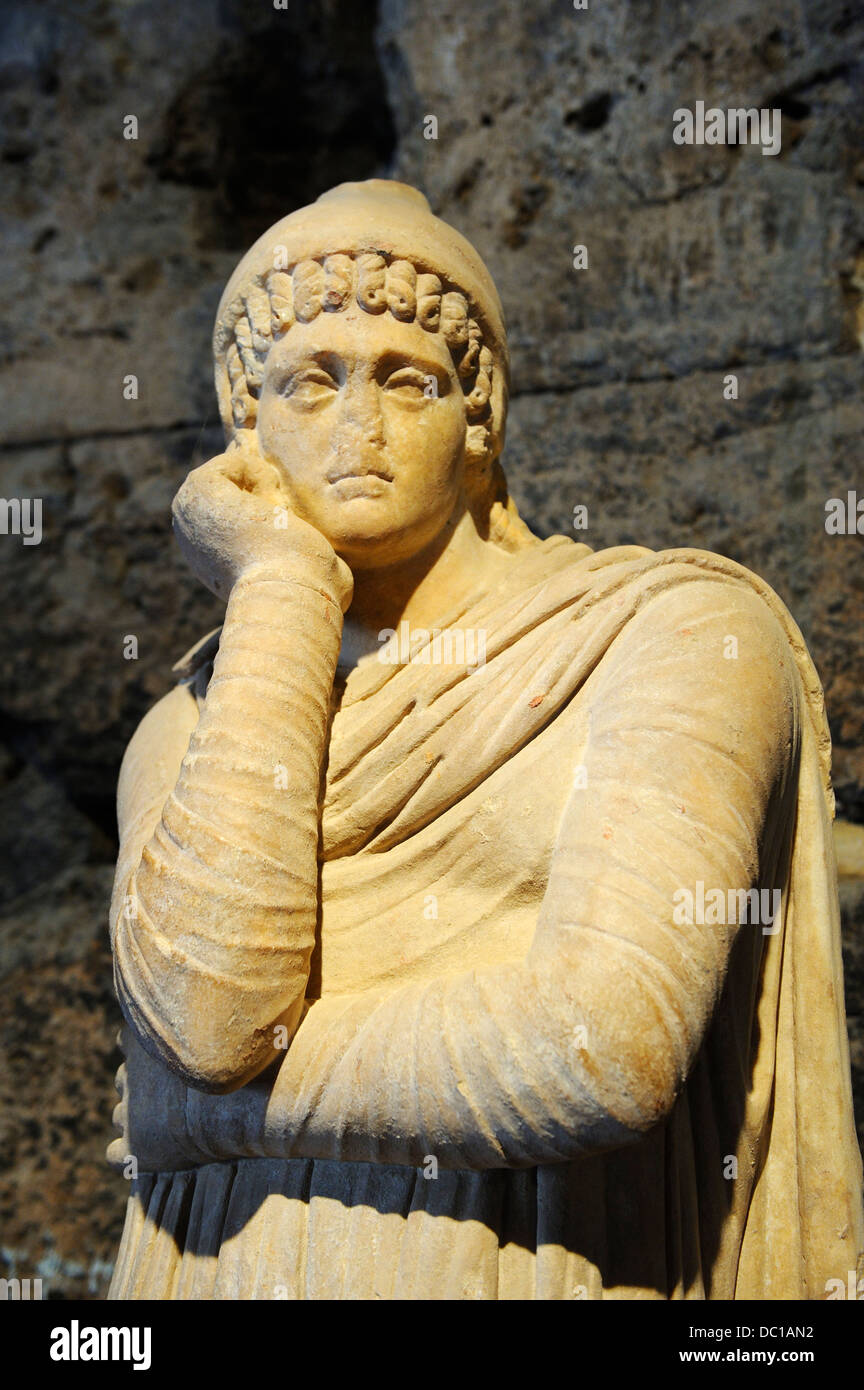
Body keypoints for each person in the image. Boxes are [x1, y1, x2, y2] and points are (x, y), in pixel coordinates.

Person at [107, 180, 863, 1299]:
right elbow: (217, 1015)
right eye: (309, 383)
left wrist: (197, 1111)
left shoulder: (671, 633)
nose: (356, 428)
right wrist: (278, 582)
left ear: (480, 412)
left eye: (405, 380)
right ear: (244, 428)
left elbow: (601, 1046)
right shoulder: (186, 723)